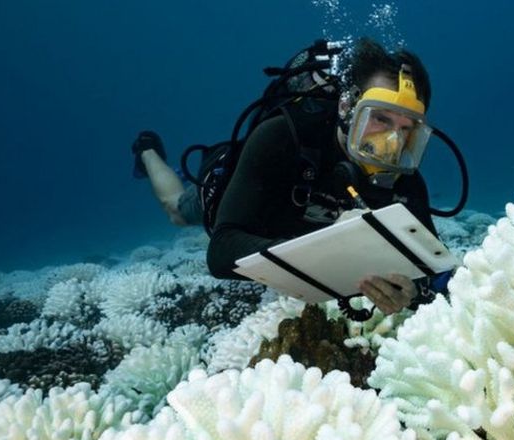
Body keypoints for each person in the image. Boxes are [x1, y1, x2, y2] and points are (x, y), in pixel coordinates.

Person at [132, 38, 445, 315]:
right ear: (348, 106)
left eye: (406, 130)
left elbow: (433, 269)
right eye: (379, 118)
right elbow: (221, 251)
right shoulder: (283, 136)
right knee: (176, 210)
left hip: (282, 239)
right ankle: (147, 151)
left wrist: (415, 292)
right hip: (239, 184)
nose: (391, 142)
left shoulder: (406, 180)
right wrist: (331, 247)